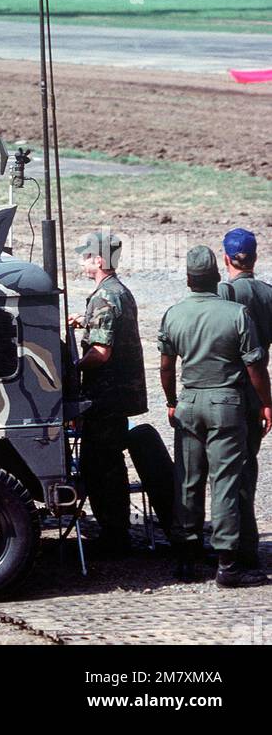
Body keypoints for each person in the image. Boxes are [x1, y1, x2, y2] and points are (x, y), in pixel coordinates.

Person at [158, 244, 272, 587]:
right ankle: (227, 563)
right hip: (226, 403)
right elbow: (255, 367)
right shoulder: (236, 314)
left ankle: (186, 558)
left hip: (189, 401)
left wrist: (172, 400)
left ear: (189, 279)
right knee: (225, 482)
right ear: (216, 276)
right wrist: (266, 402)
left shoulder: (174, 313)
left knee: (188, 479)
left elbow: (166, 366)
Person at [70, 229, 147, 555]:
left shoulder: (104, 297)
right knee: (106, 461)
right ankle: (115, 529)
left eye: (86, 257)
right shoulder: (119, 292)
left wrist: (70, 371)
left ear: (99, 260)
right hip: (118, 395)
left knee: (100, 464)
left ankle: (115, 534)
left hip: (106, 397)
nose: (83, 262)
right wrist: (84, 323)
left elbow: (101, 353)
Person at [218, 227, 272, 568]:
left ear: (226, 258)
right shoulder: (268, 294)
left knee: (224, 474)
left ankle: (233, 548)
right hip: (255, 395)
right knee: (246, 470)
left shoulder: (223, 294)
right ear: (254, 257)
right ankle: (244, 544)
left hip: (226, 392)